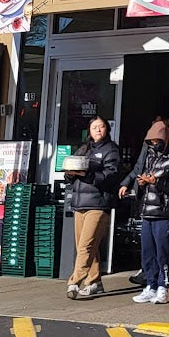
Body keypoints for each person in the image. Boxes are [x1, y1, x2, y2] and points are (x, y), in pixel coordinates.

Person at [121, 116, 169, 305]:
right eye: (151, 142)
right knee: (147, 251)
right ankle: (150, 285)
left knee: (163, 251)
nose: (154, 144)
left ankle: (163, 287)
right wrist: (140, 183)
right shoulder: (149, 154)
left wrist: (156, 182)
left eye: (157, 141)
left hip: (165, 210)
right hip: (147, 208)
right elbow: (139, 171)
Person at [65, 115, 122, 300]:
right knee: (89, 246)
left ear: (107, 130)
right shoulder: (84, 149)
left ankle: (74, 281)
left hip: (98, 204)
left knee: (86, 246)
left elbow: (111, 176)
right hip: (80, 203)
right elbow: (72, 174)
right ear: (89, 130)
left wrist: (87, 174)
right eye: (94, 127)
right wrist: (70, 174)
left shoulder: (111, 150)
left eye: (102, 126)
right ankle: (94, 281)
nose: (98, 130)